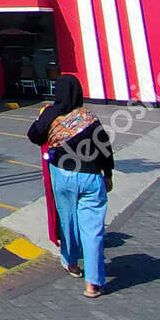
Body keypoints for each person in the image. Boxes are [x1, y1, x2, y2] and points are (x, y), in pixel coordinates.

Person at [26, 73, 113, 298]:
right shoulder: (89, 117)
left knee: (67, 220)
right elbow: (104, 147)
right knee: (93, 230)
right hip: (91, 176)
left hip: (63, 175)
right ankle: (92, 284)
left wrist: (46, 123)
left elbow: (34, 135)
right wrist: (108, 174)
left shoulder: (51, 113)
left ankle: (71, 263)